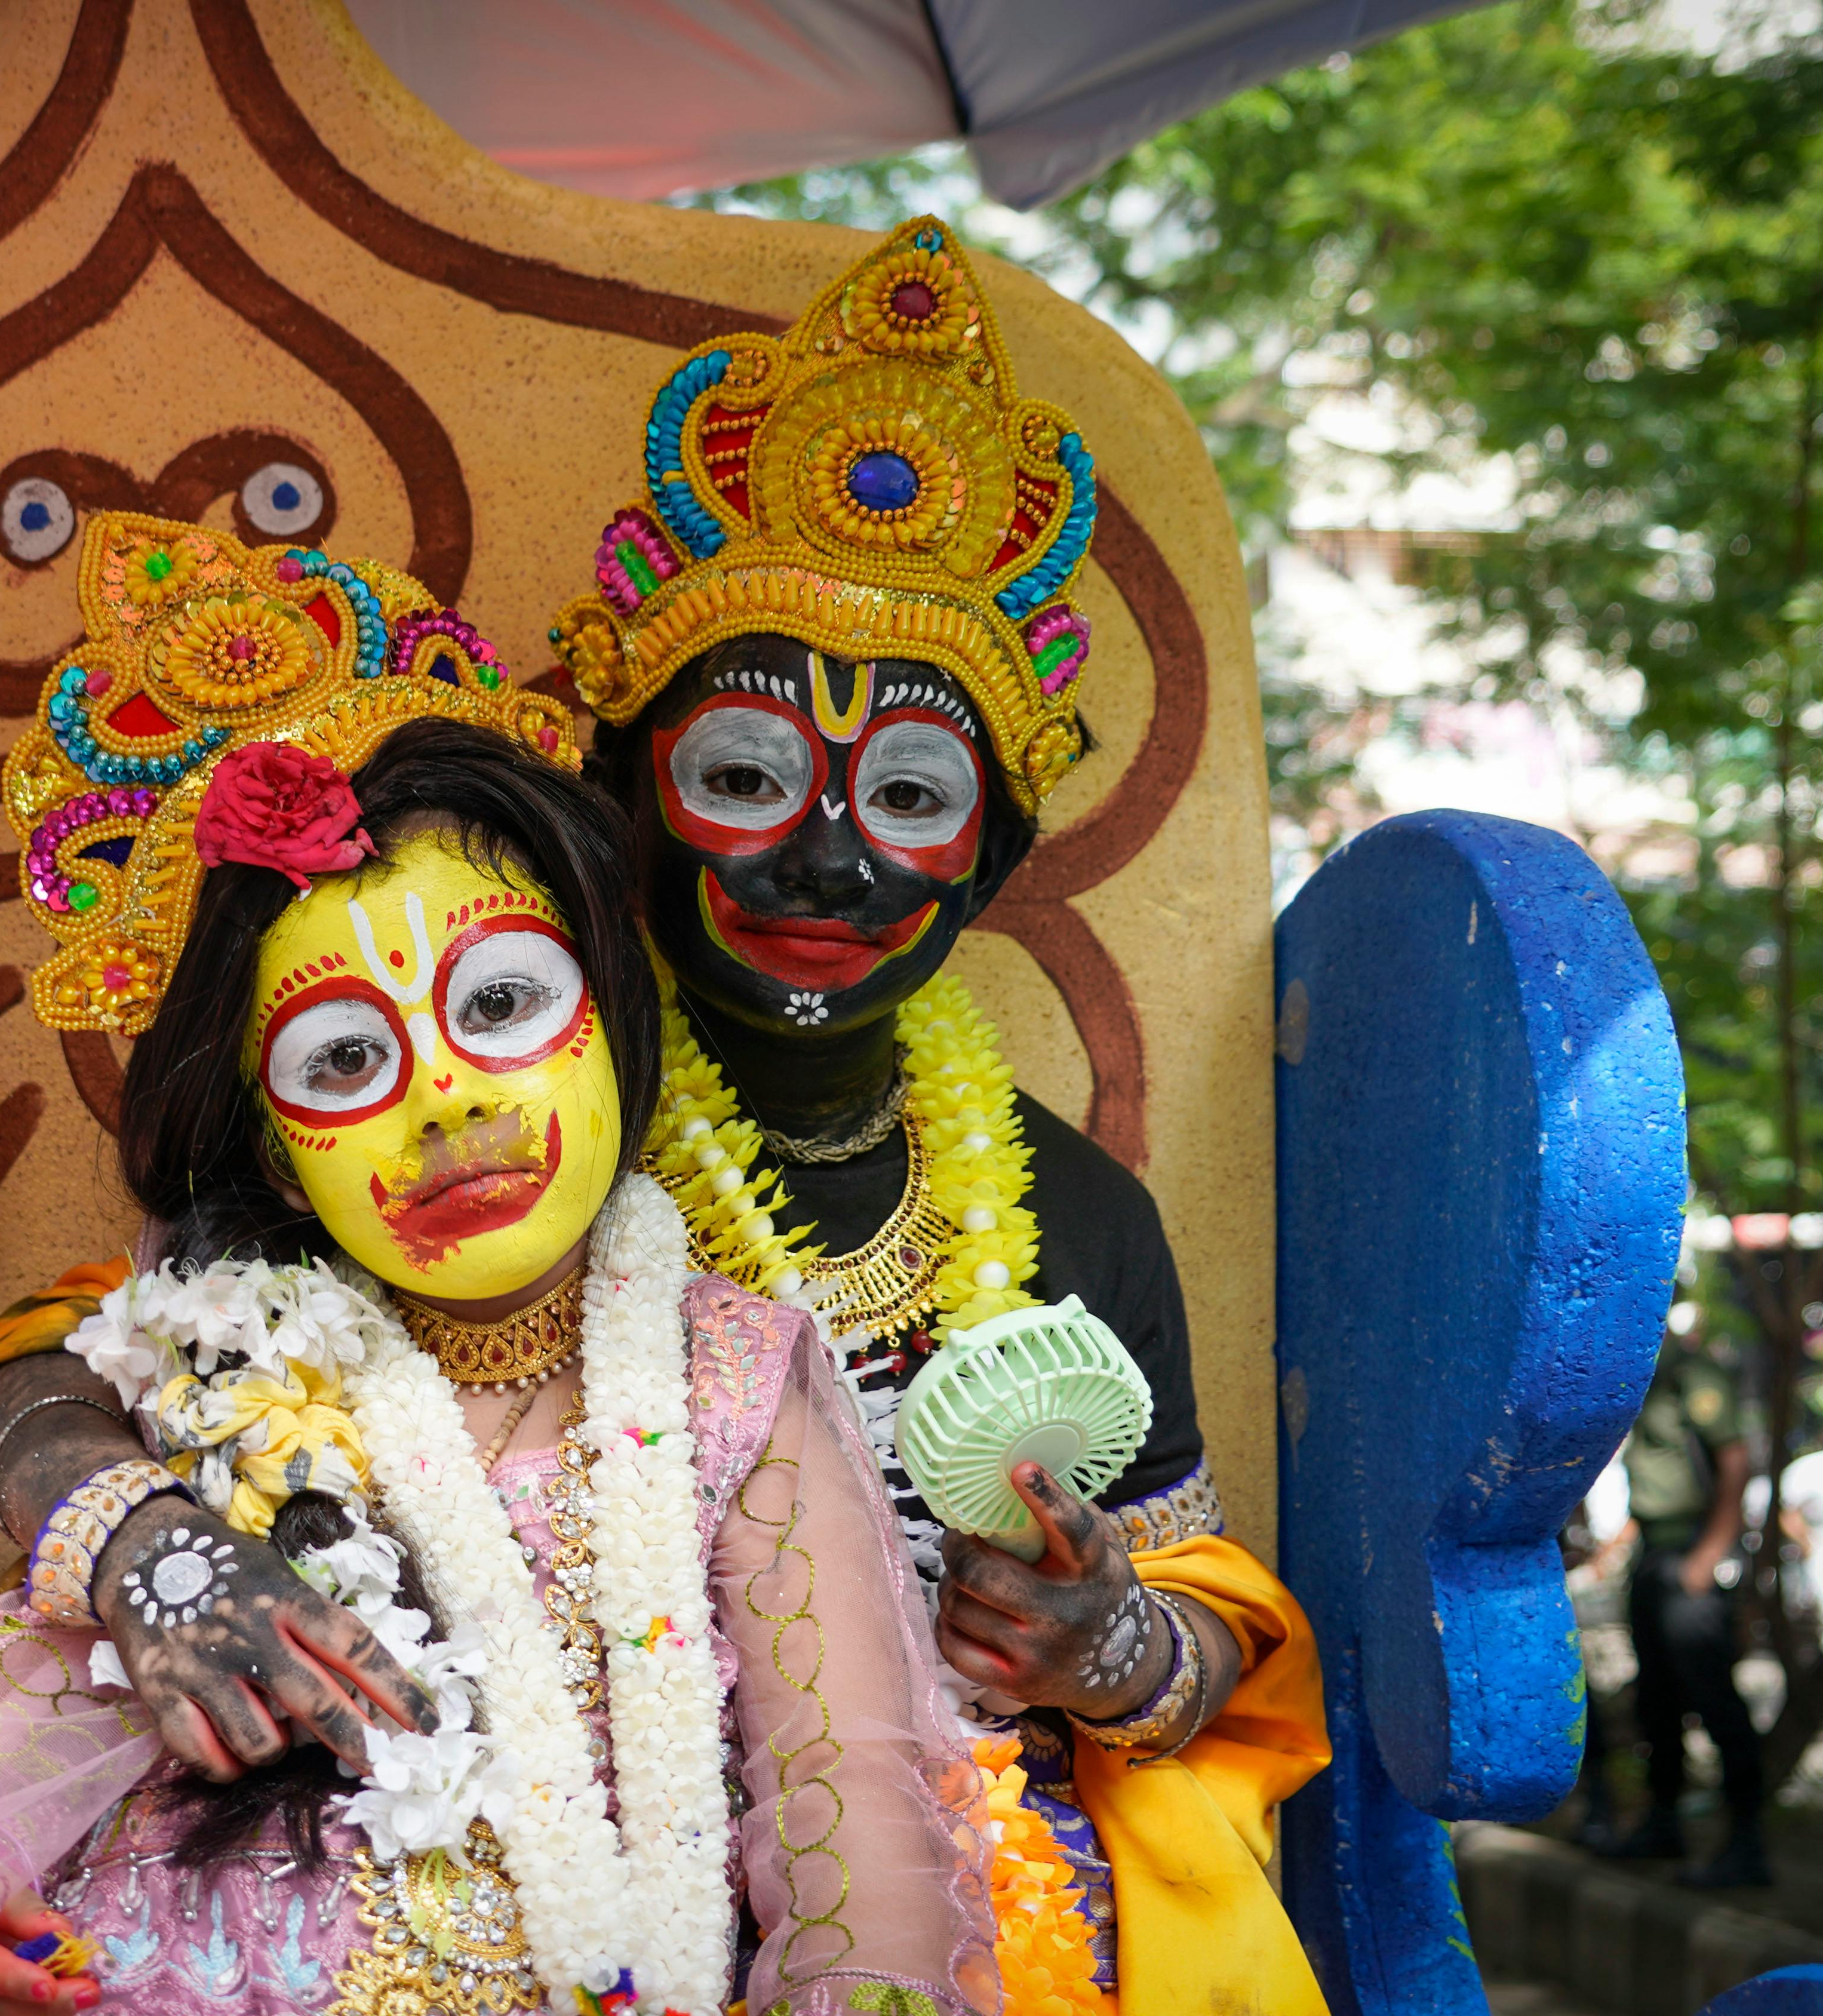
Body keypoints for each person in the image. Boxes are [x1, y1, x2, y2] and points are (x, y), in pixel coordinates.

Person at [0, 512, 996, 2016]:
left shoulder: (734, 1380)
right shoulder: (193, 1360)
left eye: (501, 1003)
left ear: (612, 1015)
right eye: (349, 1054)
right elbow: (7, 1666)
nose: (450, 1100)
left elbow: (850, 1808)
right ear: (274, 1146)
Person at [542, 216, 1327, 2012]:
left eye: (902, 792)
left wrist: (1105, 1642)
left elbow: (1196, 1619)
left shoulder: (1073, 1217)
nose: (823, 855)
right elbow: (214, 1352)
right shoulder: (518, 1147)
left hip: (1004, 1897)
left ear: (985, 858)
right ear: (620, 800)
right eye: (742, 776)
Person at [1601, 1330, 1767, 1885]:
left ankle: (1747, 1842)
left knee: (1714, 1697)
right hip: (1654, 1553)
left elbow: (1735, 1459)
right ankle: (1663, 1821)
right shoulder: (1639, 1375)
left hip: (1689, 1554)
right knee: (1657, 1698)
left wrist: (1708, 1555)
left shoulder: (1692, 1372)